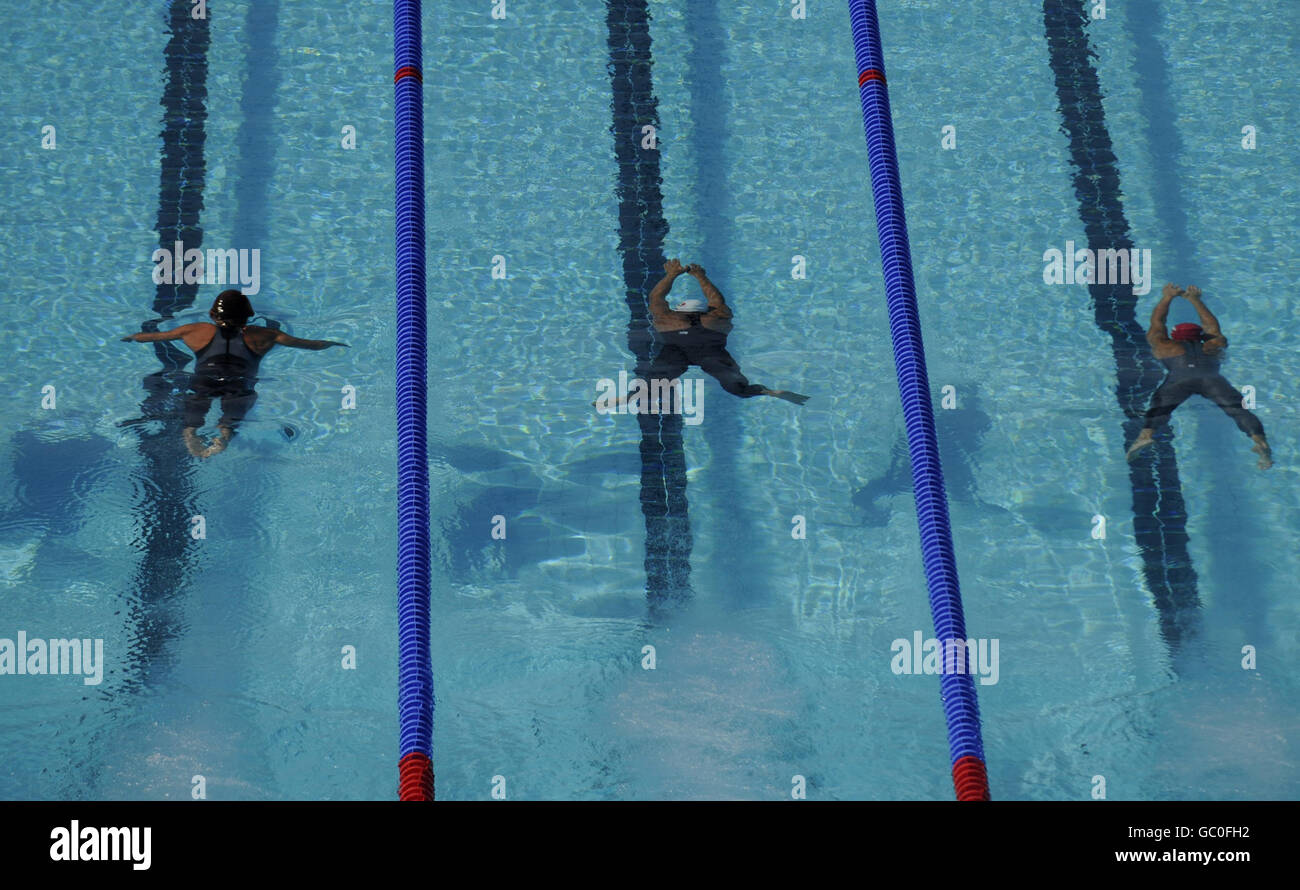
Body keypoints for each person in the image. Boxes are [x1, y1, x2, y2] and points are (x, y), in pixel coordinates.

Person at [123, 290, 348, 458]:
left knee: (196, 404)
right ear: (248, 316)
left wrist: (130, 337)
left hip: (204, 379)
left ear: (212, 314)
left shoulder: (196, 330)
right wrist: (333, 343)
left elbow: (154, 337)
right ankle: (223, 437)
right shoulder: (267, 334)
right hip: (240, 383)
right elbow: (311, 345)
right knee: (231, 416)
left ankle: (191, 436)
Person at [607, 259, 808, 411]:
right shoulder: (717, 318)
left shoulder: (669, 319)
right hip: (711, 350)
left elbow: (655, 297)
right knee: (737, 387)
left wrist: (671, 275)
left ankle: (628, 397)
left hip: (676, 350)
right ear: (703, 310)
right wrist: (700, 276)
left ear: (679, 310)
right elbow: (715, 299)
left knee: (652, 385)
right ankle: (769, 391)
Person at [1126, 283, 1270, 469]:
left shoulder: (1165, 345)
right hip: (1212, 380)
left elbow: (1158, 322)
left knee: (1159, 405)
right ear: (1200, 336)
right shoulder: (1213, 344)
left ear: (1175, 336)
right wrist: (1195, 300)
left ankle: (1145, 436)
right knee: (1239, 410)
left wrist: (1167, 297)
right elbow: (1211, 326)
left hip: (1178, 380)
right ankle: (1260, 442)